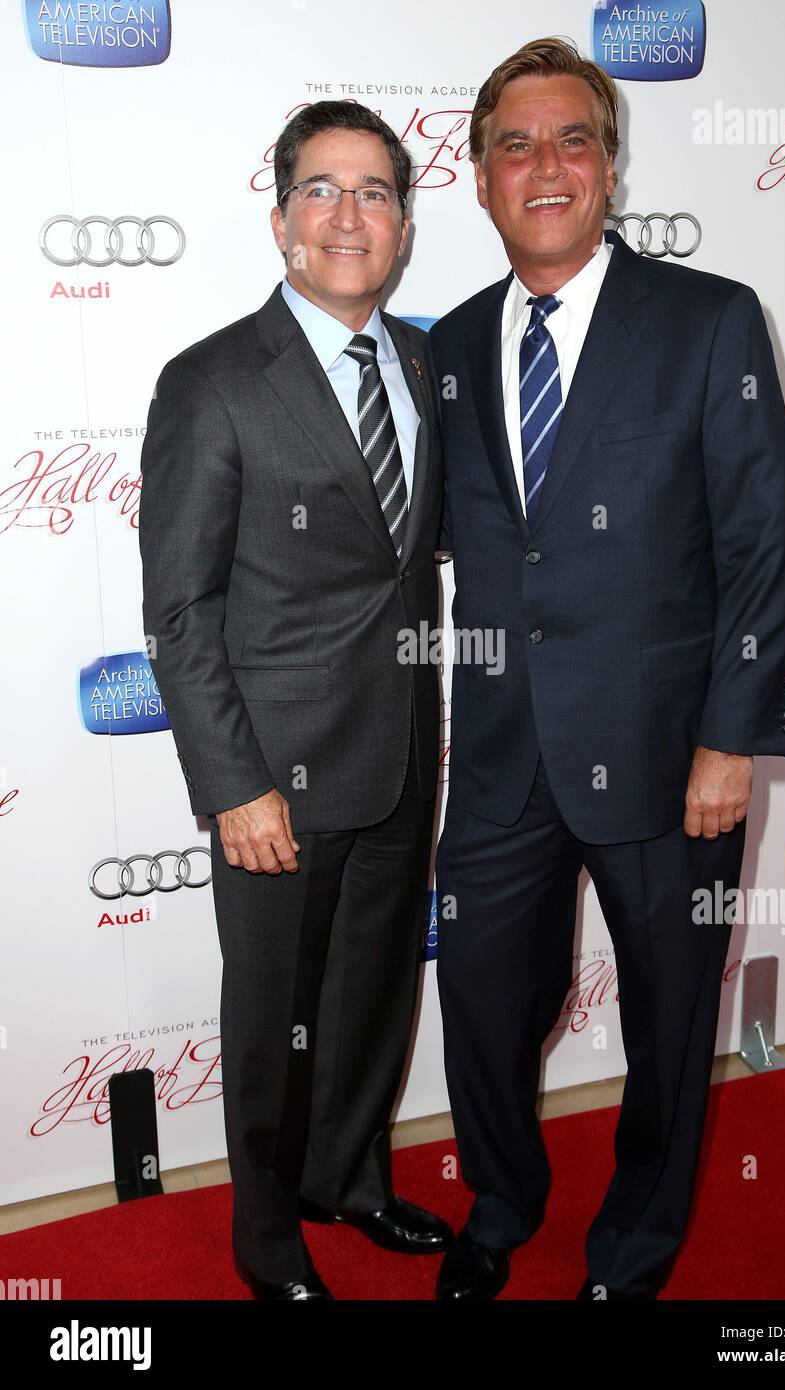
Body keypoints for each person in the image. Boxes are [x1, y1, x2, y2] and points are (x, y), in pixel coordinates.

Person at [429, 37, 785, 1301]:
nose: (545, 165)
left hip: (664, 756)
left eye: (571, 139)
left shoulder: (707, 321)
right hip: (495, 758)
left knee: (665, 1024)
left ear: (609, 167)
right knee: (482, 1003)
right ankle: (499, 1201)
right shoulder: (449, 349)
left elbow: (761, 541)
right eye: (514, 145)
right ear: (478, 179)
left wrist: (728, 738)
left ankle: (632, 1250)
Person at [139, 100, 450, 1300]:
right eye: (322, 190)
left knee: (372, 990)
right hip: (273, 774)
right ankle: (267, 1239)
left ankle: (351, 1179)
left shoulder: (422, 364)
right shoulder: (211, 382)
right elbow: (180, 613)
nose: (348, 215)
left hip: (398, 755)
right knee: (271, 1020)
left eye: (373, 192)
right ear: (279, 220)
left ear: (403, 225)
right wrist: (235, 785)